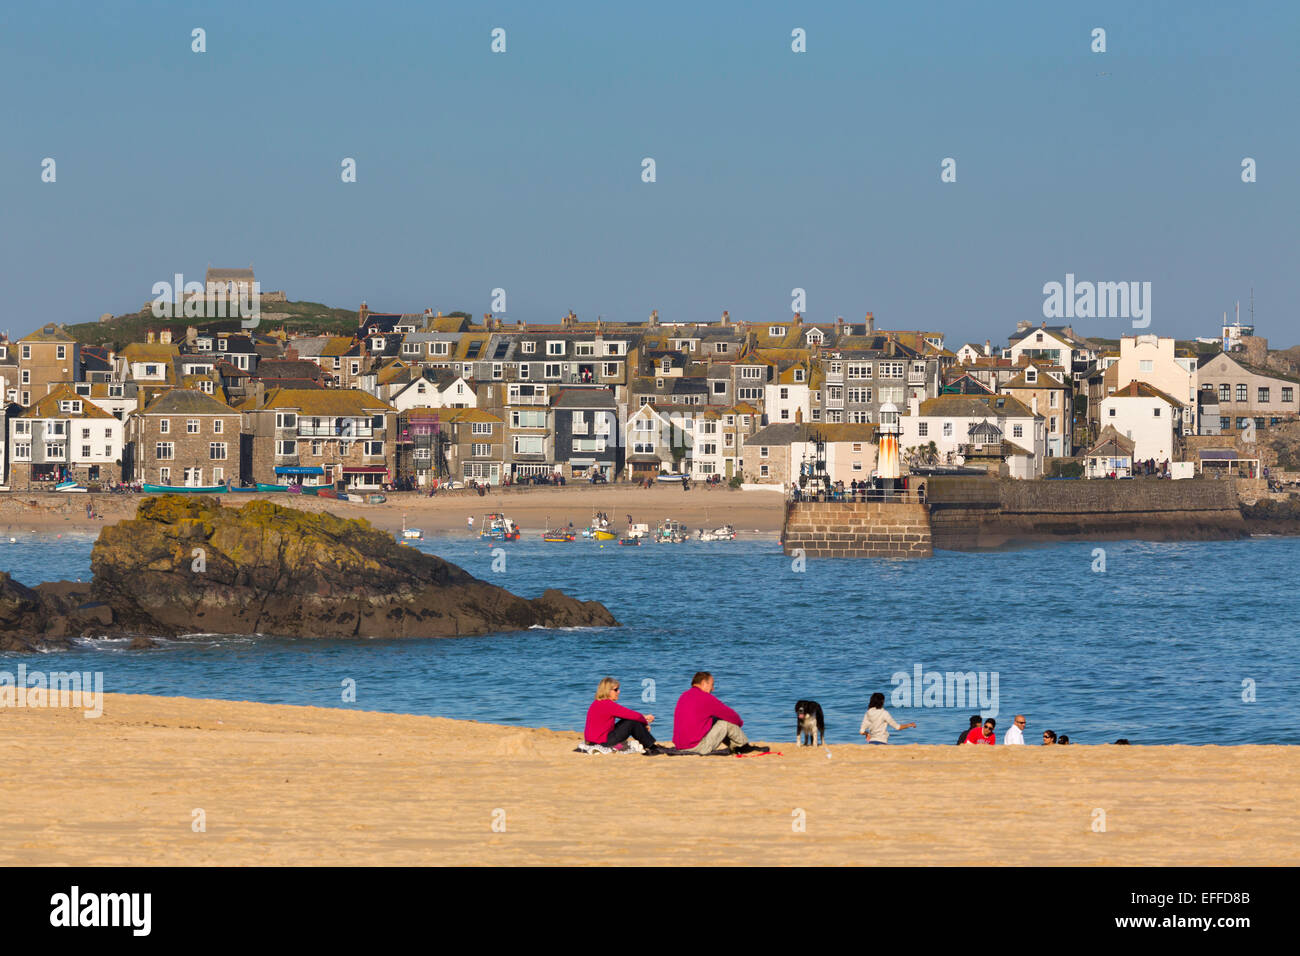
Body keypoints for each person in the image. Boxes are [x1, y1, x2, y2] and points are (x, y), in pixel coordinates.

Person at [671, 672, 764, 754]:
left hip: (680, 746)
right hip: (696, 748)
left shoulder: (684, 696)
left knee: (714, 720)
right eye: (712, 685)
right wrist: (739, 723)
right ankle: (744, 747)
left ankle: (737, 746)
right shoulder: (705, 697)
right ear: (704, 683)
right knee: (725, 723)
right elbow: (731, 715)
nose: (713, 689)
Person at [584, 677, 664, 755]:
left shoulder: (597, 703)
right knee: (632, 722)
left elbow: (628, 715)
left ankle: (649, 745)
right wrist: (645, 722)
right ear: (607, 691)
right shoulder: (608, 704)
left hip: (593, 741)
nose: (618, 692)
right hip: (602, 742)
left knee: (630, 720)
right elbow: (634, 716)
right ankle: (652, 747)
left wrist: (643, 719)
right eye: (616, 690)